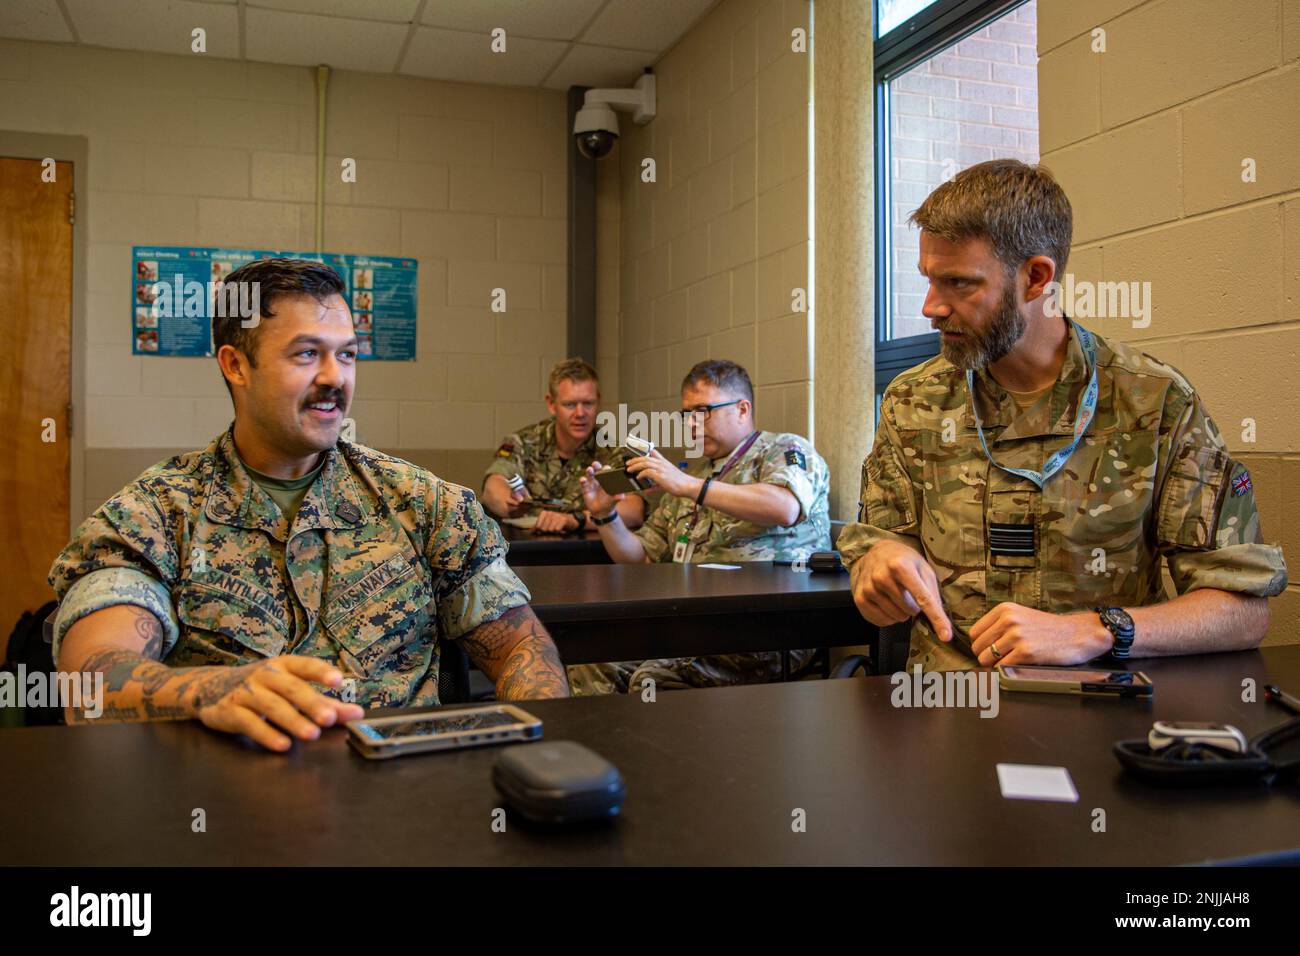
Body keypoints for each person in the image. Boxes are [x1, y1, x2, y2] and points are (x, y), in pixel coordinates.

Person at [48, 258, 569, 752]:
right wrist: (215, 689)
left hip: (406, 802)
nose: (334, 378)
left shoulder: (424, 503)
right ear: (236, 365)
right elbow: (92, 678)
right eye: (306, 353)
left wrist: (538, 764)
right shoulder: (157, 513)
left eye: (346, 354)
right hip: (225, 811)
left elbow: (521, 648)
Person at [838, 159, 1287, 671]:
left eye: (959, 283)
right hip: (949, 707)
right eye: (929, 280)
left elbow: (1244, 611)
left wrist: (1096, 630)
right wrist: (878, 561)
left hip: (1099, 706)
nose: (930, 307)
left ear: (1036, 278)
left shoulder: (1154, 402)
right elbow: (882, 541)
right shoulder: (912, 400)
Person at [570, 359, 831, 694]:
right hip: (692, 624)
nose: (691, 424)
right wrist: (605, 515)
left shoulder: (783, 449)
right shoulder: (692, 474)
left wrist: (688, 486)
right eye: (686, 414)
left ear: (742, 409)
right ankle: (599, 747)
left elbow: (785, 507)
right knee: (590, 658)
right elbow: (640, 557)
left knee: (649, 680)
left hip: (769, 629)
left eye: (703, 411)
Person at [481, 358, 645, 533]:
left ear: (598, 402)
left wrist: (577, 519)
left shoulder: (613, 451)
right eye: (570, 404)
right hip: (526, 552)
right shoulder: (524, 442)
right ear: (551, 404)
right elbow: (493, 487)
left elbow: (635, 510)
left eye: (588, 403)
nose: (580, 413)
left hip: (590, 554)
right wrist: (510, 503)